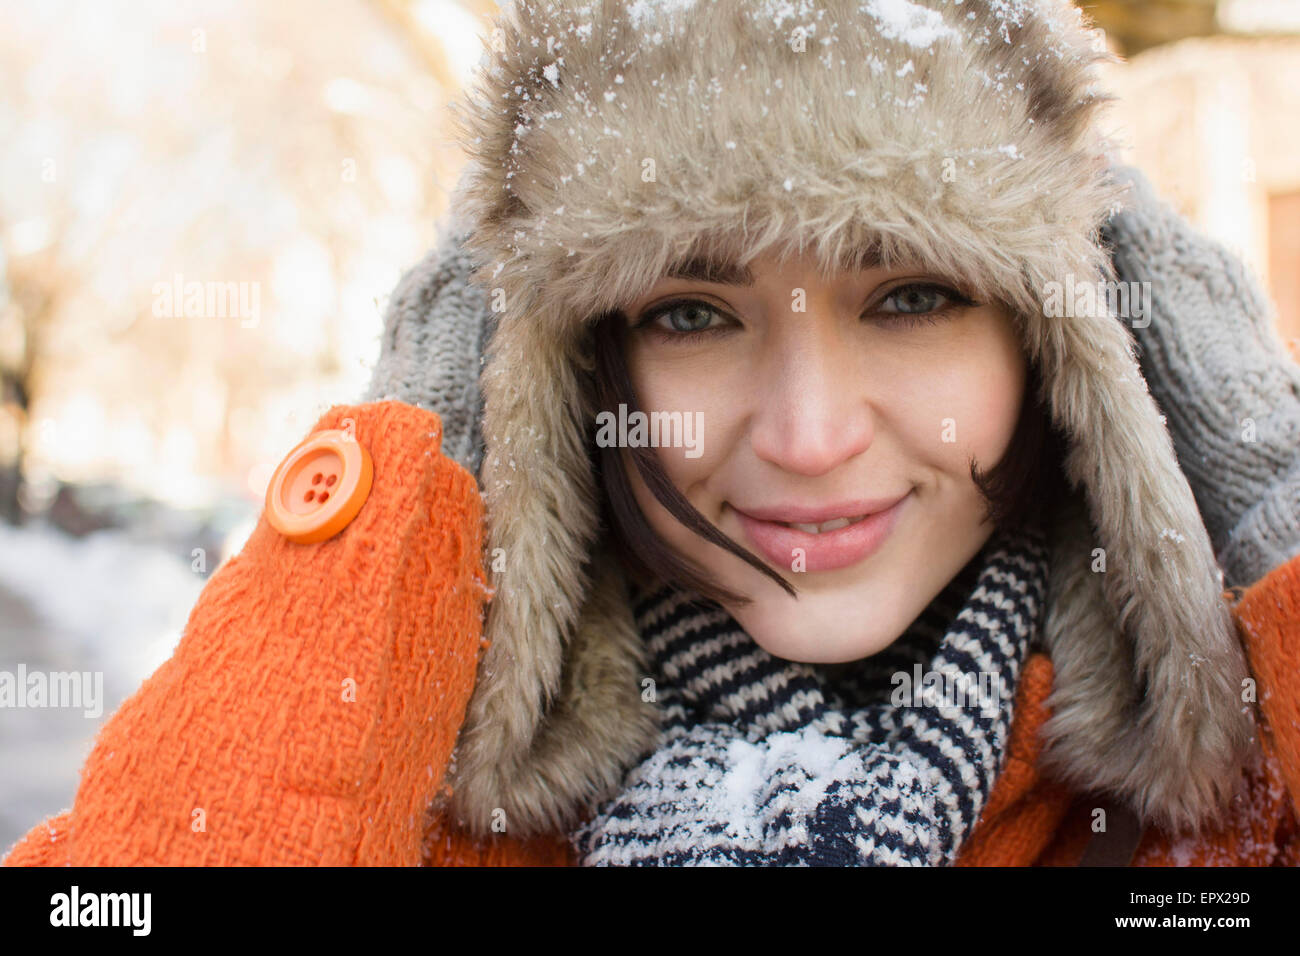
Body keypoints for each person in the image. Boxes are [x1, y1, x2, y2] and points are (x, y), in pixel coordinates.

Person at [6, 0, 1299, 867]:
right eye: (692, 309)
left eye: (912, 295)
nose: (806, 434)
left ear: (1063, 349)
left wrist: (1268, 495)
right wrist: (423, 458)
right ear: (567, 364)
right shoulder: (428, 823)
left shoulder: (1204, 824)